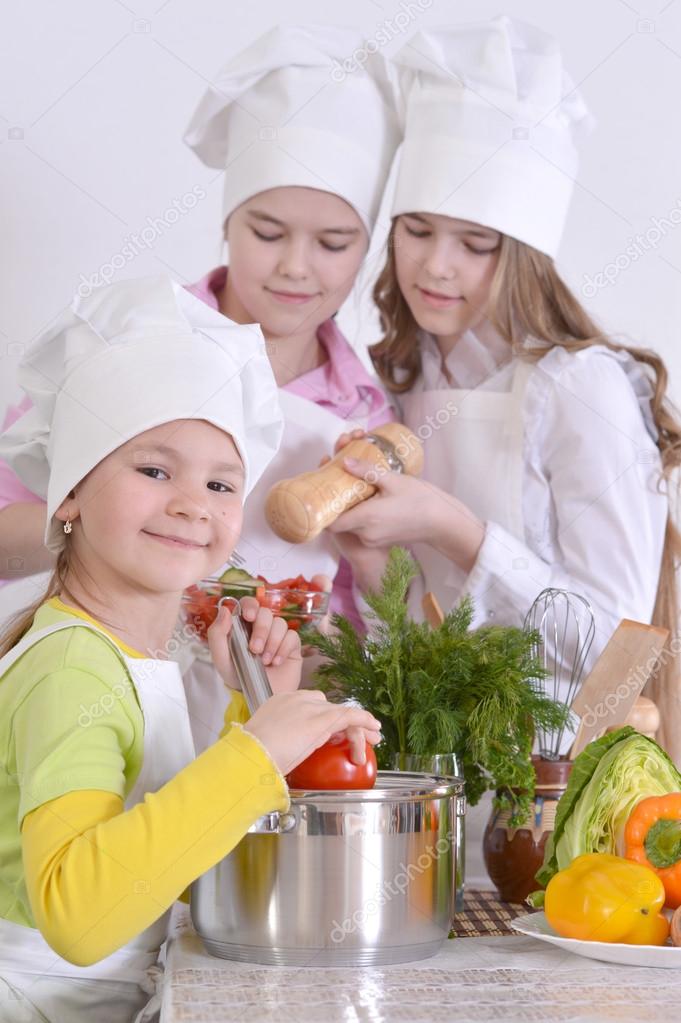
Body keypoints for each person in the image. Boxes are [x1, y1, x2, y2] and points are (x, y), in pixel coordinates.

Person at [0, 275, 380, 1023]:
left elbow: (157, 851)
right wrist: (254, 756)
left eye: (220, 482)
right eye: (152, 469)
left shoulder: (125, 654)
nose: (191, 503)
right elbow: (77, 916)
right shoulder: (75, 668)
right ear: (70, 491)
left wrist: (254, 703)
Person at [327, 16, 681, 765]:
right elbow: (424, 642)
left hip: (558, 790)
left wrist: (456, 528)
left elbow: (618, 651)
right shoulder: (400, 379)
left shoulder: (579, 390)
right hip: (438, 776)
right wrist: (373, 569)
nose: (436, 267)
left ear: (521, 252)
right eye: (416, 230)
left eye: (474, 243)